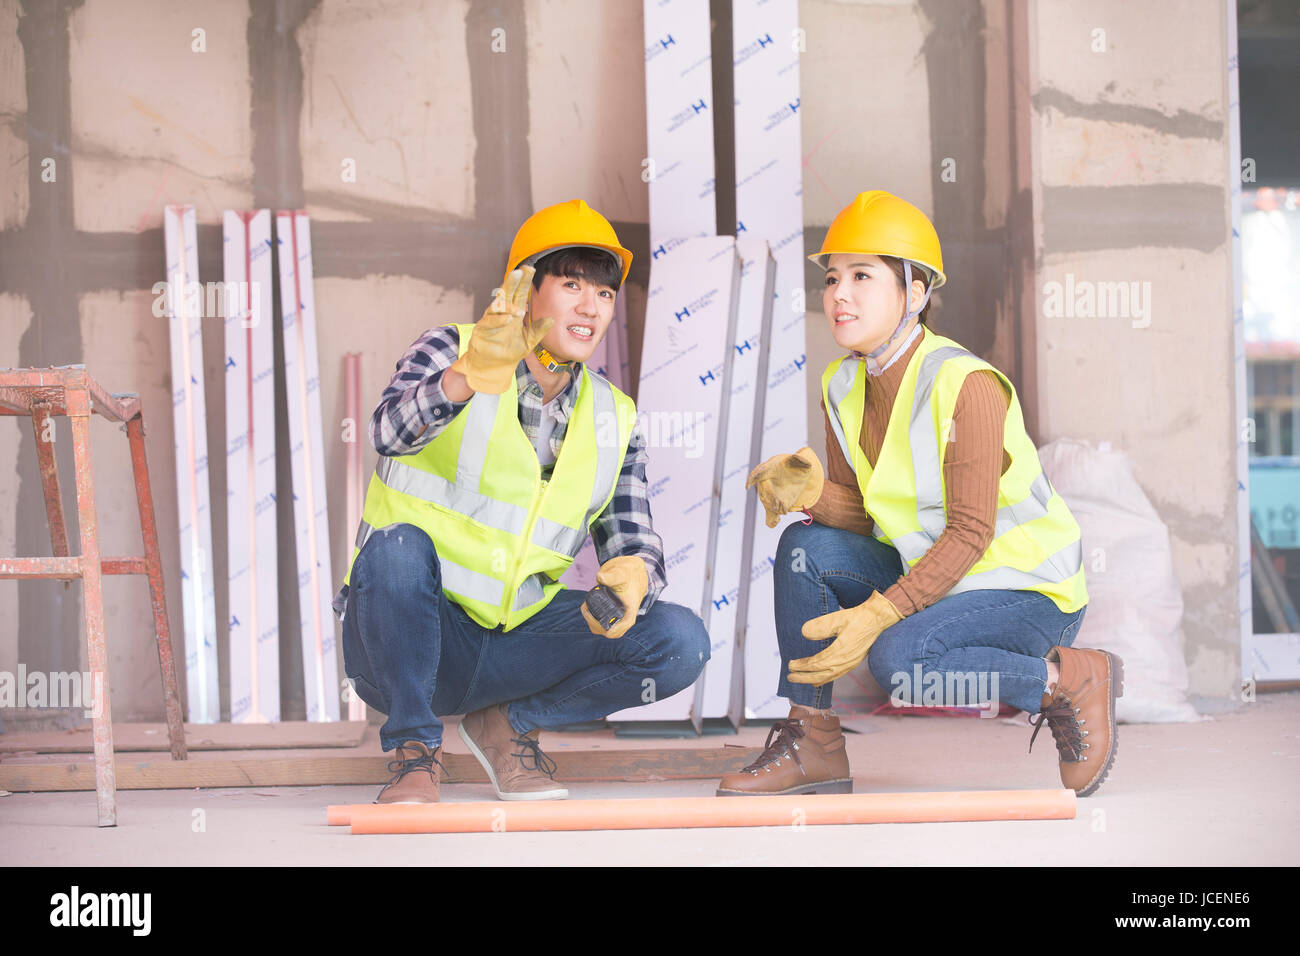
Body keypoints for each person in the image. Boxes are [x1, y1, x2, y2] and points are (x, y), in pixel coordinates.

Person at [719, 190, 1122, 798]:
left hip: (1025, 589)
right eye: (832, 278)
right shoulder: (844, 383)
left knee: (903, 664)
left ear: (915, 293)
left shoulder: (967, 385)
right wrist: (814, 496)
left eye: (862, 276)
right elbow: (868, 515)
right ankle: (814, 741)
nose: (839, 295)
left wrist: (879, 614)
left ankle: (1065, 679)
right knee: (806, 548)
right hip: (936, 574)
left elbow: (970, 532)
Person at [335, 199, 710, 805]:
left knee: (679, 639)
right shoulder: (449, 348)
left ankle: (507, 726)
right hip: (410, 640)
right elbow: (386, 433)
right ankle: (413, 751)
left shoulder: (614, 416)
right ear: (524, 290)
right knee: (395, 549)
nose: (591, 307)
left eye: (606, 294)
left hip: (515, 642)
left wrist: (636, 574)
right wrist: (464, 376)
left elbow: (634, 539)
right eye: (571, 285)